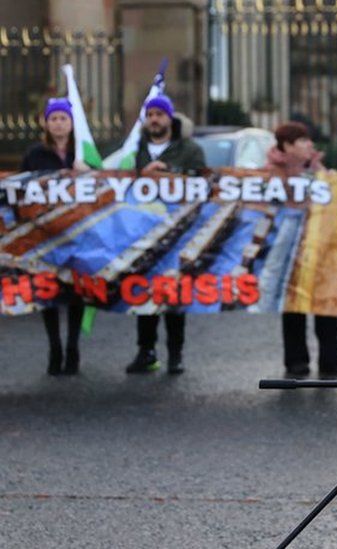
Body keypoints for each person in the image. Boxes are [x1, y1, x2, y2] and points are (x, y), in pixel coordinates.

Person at [123, 94, 205, 375]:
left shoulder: (189, 149)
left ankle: (175, 354)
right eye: (150, 114)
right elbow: (120, 183)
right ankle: (146, 351)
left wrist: (168, 174)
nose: (155, 119)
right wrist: (143, 174)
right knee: (143, 294)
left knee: (174, 296)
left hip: (178, 233)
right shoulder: (135, 149)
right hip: (143, 232)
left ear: (170, 118)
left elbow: (203, 184)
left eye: (160, 114)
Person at [267, 121, 337, 379]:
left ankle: (331, 360)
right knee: (293, 306)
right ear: (288, 145)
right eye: (303, 141)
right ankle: (296, 361)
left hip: (320, 248)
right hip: (288, 250)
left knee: (326, 302)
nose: (310, 145)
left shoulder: (318, 170)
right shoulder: (272, 174)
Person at [20, 98, 85, 376]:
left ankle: (72, 346)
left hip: (76, 231)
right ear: (46, 123)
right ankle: (54, 346)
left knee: (76, 290)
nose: (58, 123)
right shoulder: (35, 154)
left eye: (63, 118)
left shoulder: (82, 154)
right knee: (48, 289)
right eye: (54, 118)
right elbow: (20, 189)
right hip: (46, 232)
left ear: (72, 124)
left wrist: (88, 172)